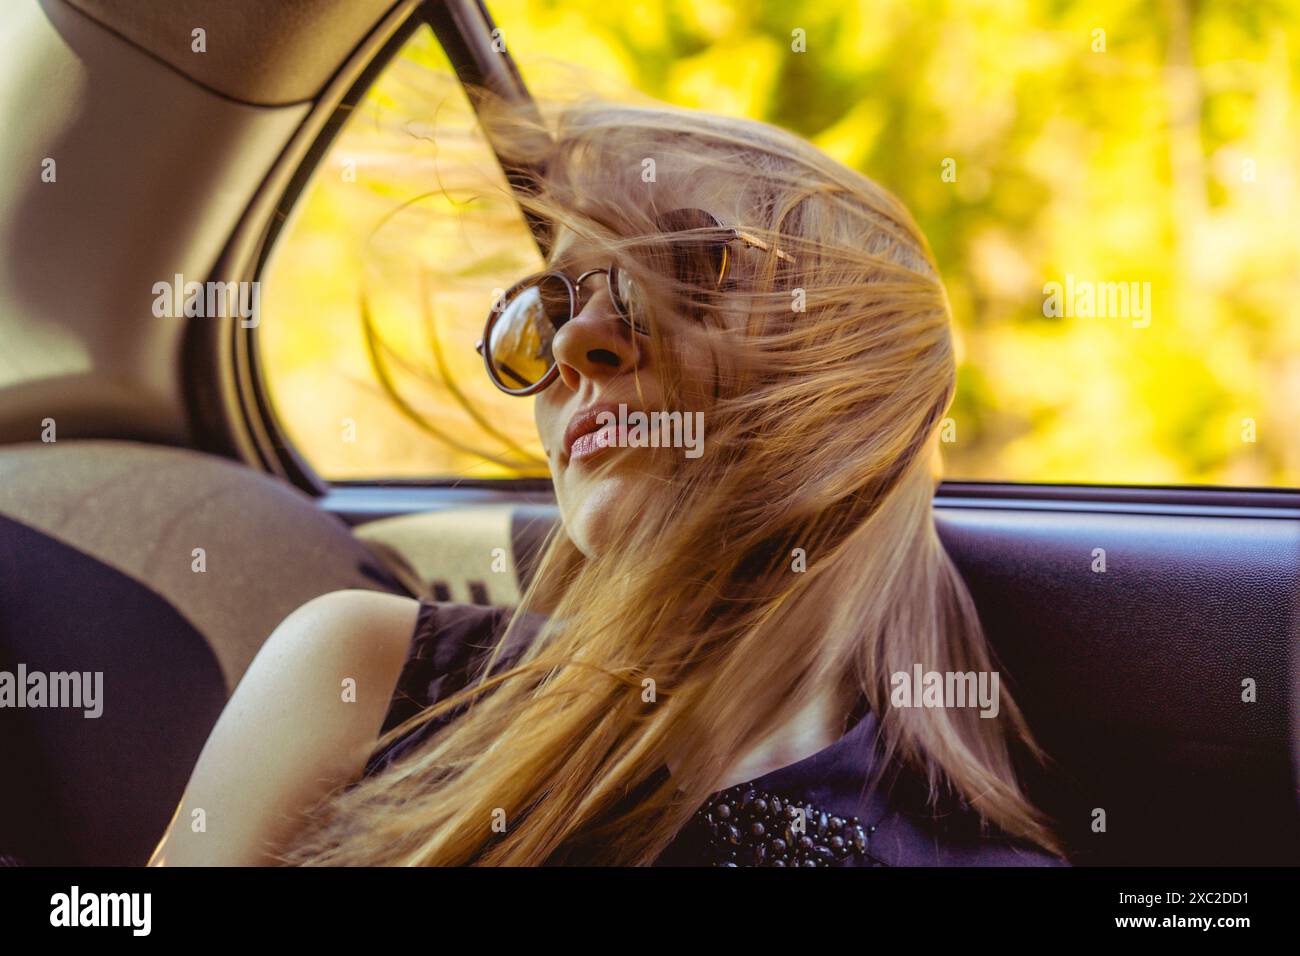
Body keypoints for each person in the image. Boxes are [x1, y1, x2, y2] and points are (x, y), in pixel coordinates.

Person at [149, 94, 1068, 868]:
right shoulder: (361, 676)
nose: (571, 344)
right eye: (541, 309)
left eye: (693, 268)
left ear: (872, 377)